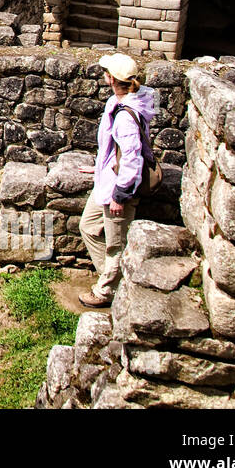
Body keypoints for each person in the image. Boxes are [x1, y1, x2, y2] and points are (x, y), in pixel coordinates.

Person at [76, 53, 159, 308]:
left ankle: (106, 291)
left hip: (120, 189)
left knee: (115, 244)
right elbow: (114, 150)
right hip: (108, 179)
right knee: (88, 226)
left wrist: (120, 195)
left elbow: (132, 158)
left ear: (111, 78)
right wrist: (99, 168)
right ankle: (114, 278)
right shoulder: (121, 100)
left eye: (106, 72)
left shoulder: (125, 115)